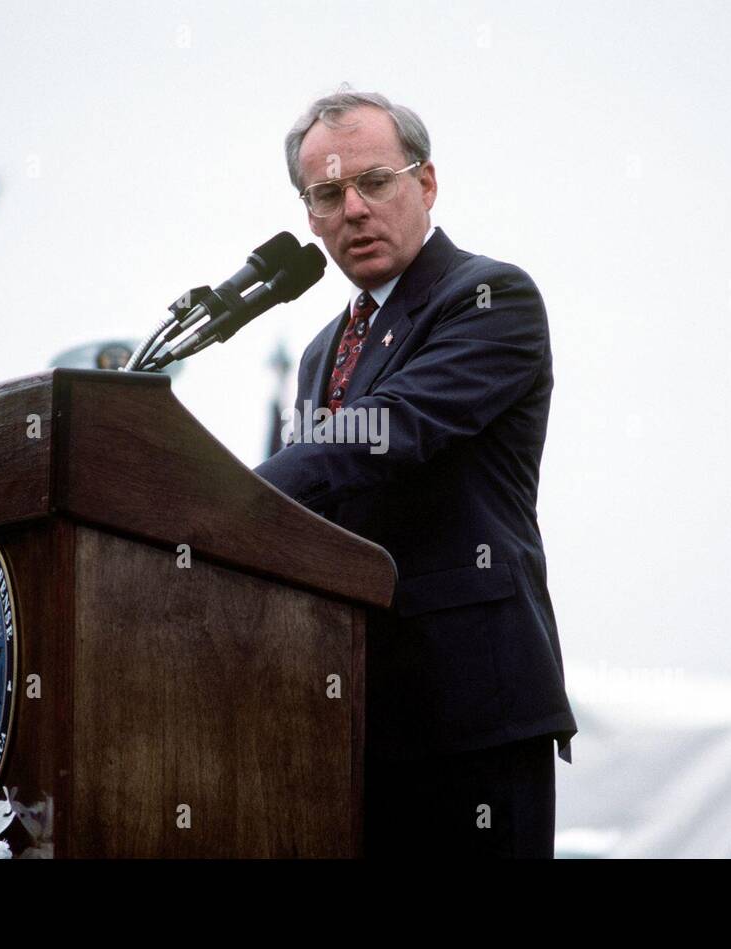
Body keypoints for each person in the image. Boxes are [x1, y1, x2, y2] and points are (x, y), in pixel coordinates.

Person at [253, 87, 577, 857]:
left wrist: (224, 499)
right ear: (308, 215)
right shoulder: (321, 350)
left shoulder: (489, 297)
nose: (355, 209)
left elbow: (386, 430)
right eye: (328, 193)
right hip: (349, 715)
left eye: (375, 182)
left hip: (471, 707)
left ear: (424, 184)